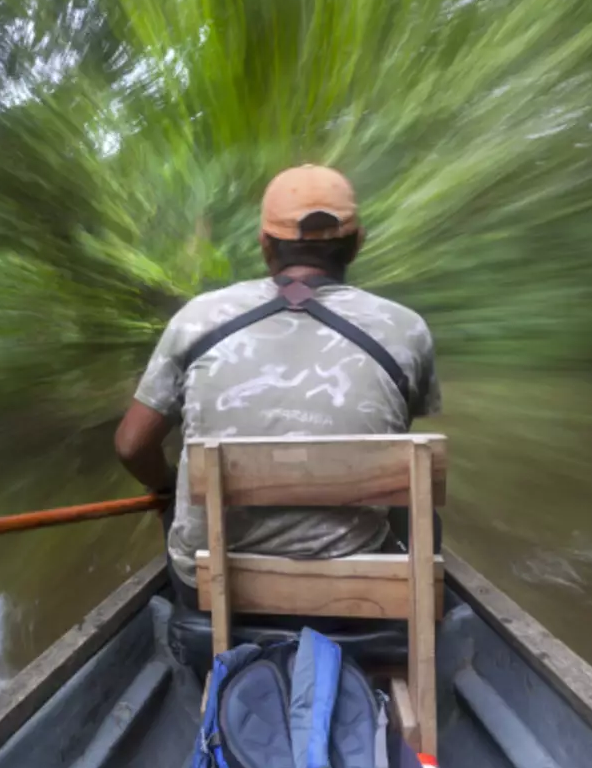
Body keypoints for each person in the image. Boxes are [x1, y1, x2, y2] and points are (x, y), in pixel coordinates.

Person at [114, 164, 441, 609]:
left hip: (215, 589)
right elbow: (398, 425)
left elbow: (132, 446)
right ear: (358, 243)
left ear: (265, 244)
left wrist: (170, 490)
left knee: (185, 515)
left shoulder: (197, 318)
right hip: (355, 585)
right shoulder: (407, 330)